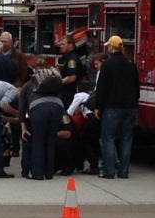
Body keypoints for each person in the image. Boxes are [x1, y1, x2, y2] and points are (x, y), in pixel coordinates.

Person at [94, 35, 140, 179]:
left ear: (112, 48)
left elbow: (101, 88)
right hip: (130, 107)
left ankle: (109, 171)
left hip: (112, 107)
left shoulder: (107, 65)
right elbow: (137, 87)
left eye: (109, 46)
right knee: (126, 138)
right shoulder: (131, 64)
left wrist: (98, 106)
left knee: (108, 138)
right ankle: (123, 171)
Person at [21, 67, 65, 180]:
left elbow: (21, 109)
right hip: (57, 107)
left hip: (38, 108)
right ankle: (49, 173)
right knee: (51, 140)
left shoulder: (27, 85)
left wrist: (23, 128)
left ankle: (37, 173)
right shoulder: (53, 84)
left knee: (38, 141)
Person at [56, 33, 84, 109]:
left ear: (70, 45)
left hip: (69, 93)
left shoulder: (72, 59)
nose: (61, 46)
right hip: (66, 92)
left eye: (63, 44)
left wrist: (58, 83)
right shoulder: (67, 57)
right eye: (60, 44)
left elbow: (72, 77)